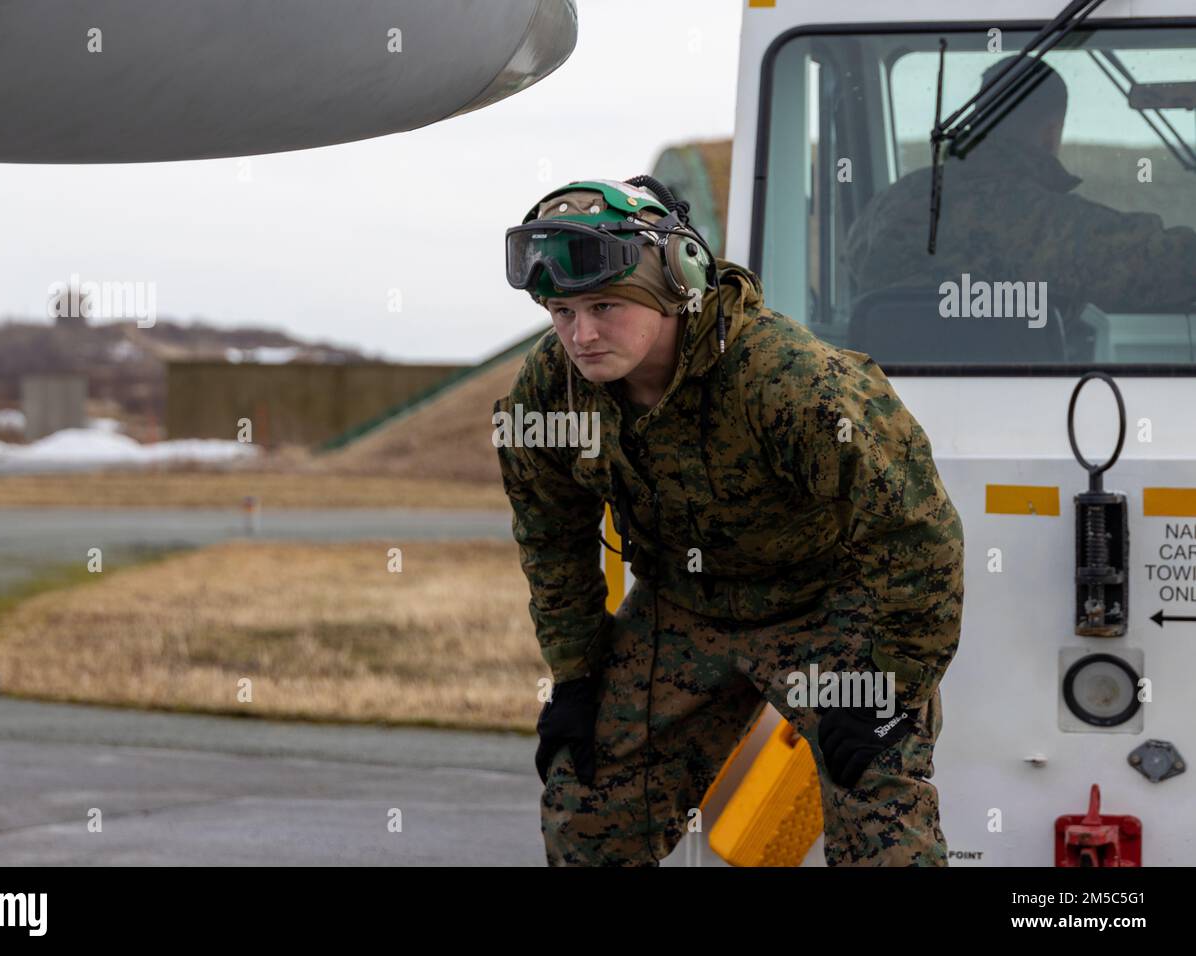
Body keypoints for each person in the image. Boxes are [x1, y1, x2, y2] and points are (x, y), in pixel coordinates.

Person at [494, 176, 965, 866]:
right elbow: (550, 535)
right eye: (561, 313)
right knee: (588, 805)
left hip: (829, 607)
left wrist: (895, 688)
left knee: (882, 819)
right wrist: (577, 675)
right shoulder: (550, 390)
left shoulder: (785, 379)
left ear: (675, 283)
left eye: (603, 306)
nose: (581, 335)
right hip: (682, 610)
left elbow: (915, 531)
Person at [845, 55, 1196, 347]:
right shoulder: (1056, 226)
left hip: (891, 416)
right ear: (1051, 133)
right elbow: (1175, 266)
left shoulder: (882, 210)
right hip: (1031, 414)